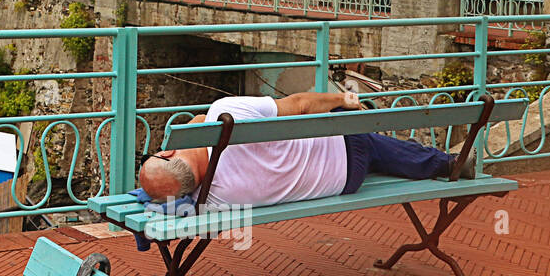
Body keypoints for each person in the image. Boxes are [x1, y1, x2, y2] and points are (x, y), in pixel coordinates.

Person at [138, 91, 472, 207]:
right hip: (348, 146)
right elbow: (298, 105)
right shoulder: (227, 112)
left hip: (342, 180)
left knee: (370, 149)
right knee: (349, 122)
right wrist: (345, 99)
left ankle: (424, 157)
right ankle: (445, 163)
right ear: (167, 153)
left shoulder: (210, 200)